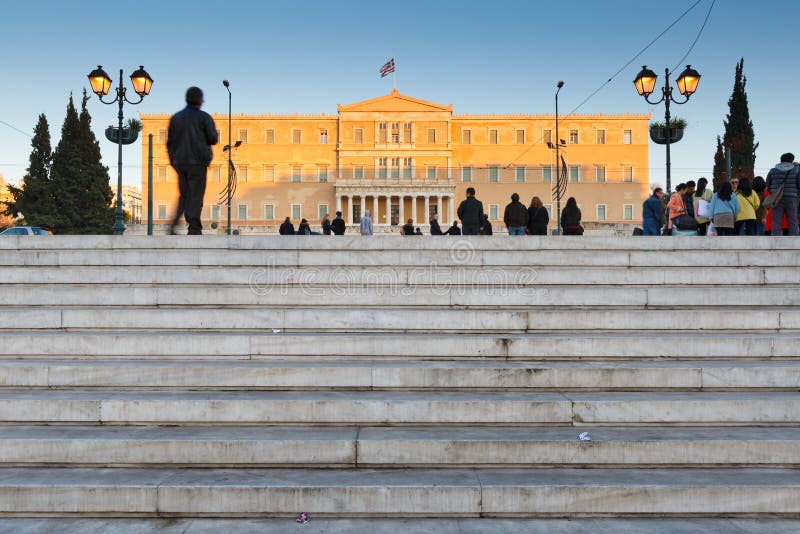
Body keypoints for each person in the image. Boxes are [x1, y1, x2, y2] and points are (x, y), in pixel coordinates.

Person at [166, 87, 218, 235]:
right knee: (196, 195)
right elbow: (213, 138)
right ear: (200, 100)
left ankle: (174, 223)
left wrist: (173, 161)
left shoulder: (176, 118)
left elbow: (169, 142)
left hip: (180, 162)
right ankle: (194, 228)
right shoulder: (204, 117)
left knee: (184, 194)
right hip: (198, 161)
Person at [765, 153, 800, 236]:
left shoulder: (773, 170)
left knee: (776, 221)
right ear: (791, 160)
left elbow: (768, 184)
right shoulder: (796, 170)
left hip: (777, 198)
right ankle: (793, 240)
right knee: (792, 220)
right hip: (791, 198)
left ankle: (775, 241)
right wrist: (796, 195)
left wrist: (773, 194)